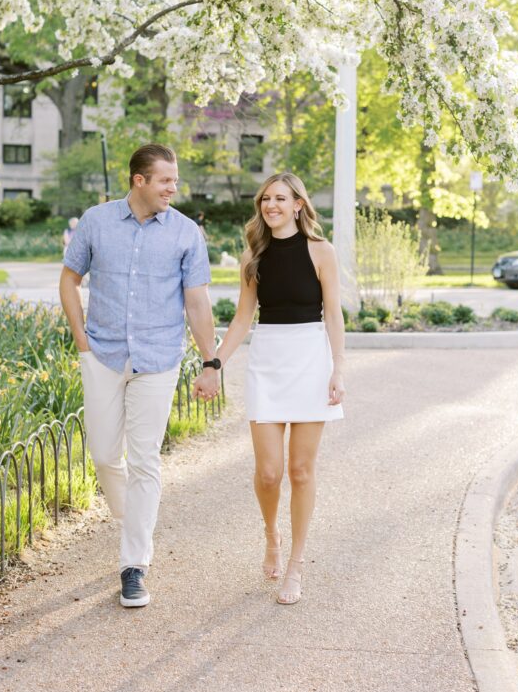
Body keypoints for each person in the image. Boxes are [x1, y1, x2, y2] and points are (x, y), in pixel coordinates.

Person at [59, 143, 221, 609]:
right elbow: (69, 279)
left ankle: (134, 564)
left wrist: (210, 361)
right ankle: (135, 519)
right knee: (106, 455)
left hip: (159, 360)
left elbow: (197, 302)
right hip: (103, 354)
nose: (174, 187)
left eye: (175, 180)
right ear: (139, 181)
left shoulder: (186, 233)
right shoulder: (97, 221)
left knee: (145, 459)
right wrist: (81, 340)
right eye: (166, 180)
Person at [205, 172, 345, 605]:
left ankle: (296, 565)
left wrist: (339, 369)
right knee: (269, 473)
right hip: (267, 362)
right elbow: (243, 318)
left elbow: (334, 315)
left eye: (281, 198)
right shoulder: (255, 255)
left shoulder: (322, 252)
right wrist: (214, 364)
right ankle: (272, 535)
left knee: (301, 470)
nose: (272, 206)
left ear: (299, 204)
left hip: (309, 361)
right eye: (266, 199)